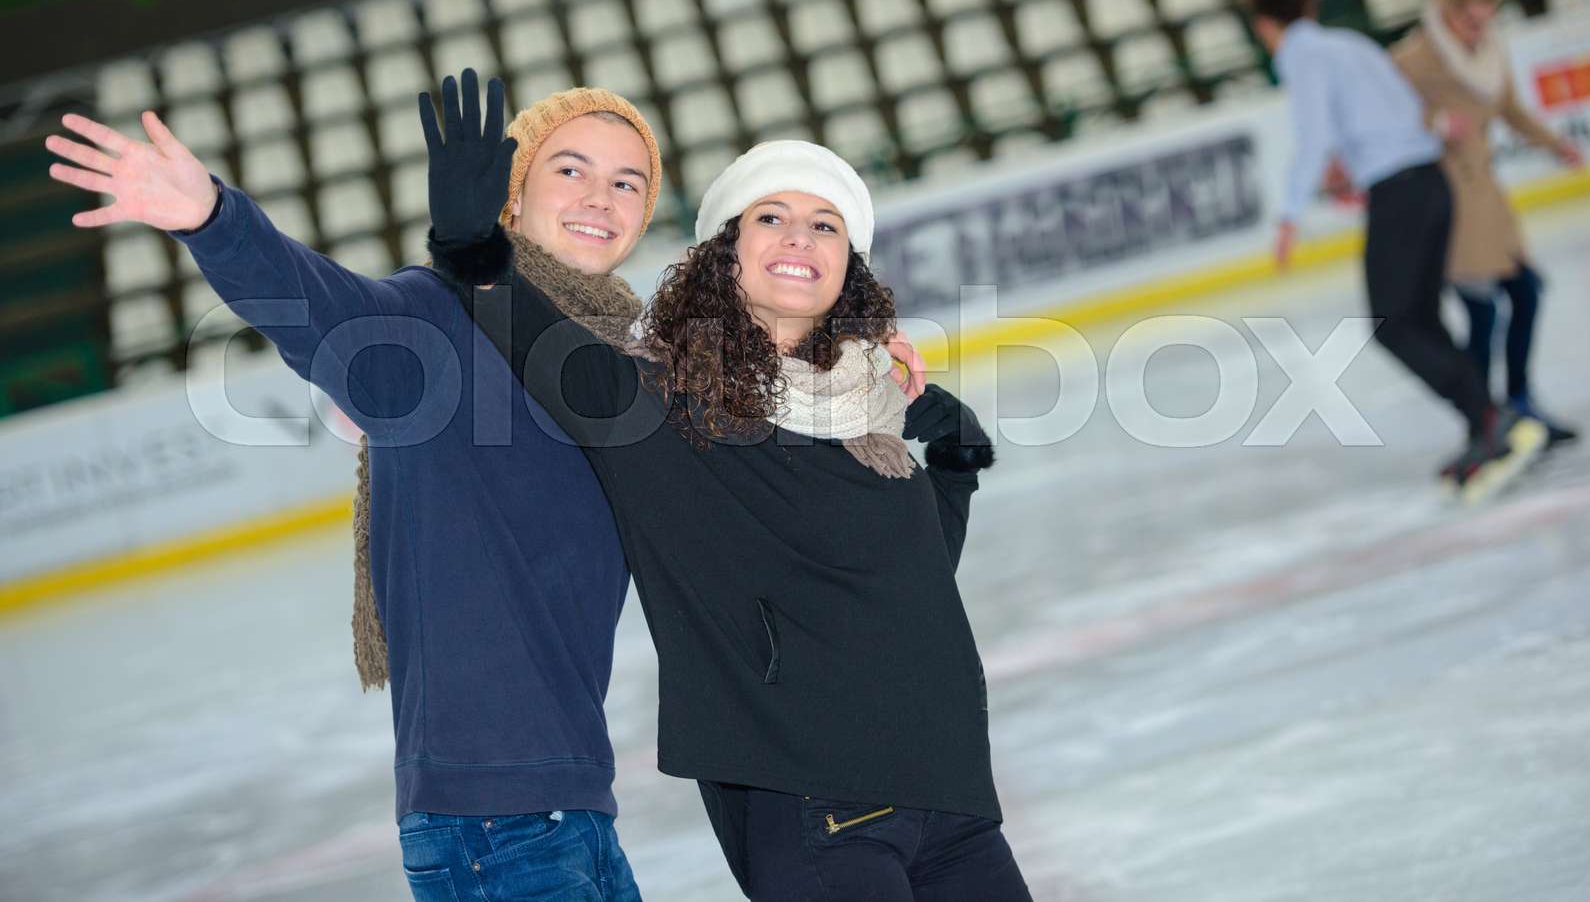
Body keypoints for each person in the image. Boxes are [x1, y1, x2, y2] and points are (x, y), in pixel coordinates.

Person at [46, 76, 664, 902]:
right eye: (571, 170)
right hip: (497, 826)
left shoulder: (621, 366)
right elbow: (315, 310)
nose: (601, 197)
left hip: (573, 813)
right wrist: (211, 217)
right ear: (510, 195)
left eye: (628, 182)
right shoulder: (434, 323)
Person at [422, 72, 1032, 901]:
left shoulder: (866, 413)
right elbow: (525, 329)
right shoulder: (661, 401)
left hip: (951, 800)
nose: (799, 237)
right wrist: (469, 245)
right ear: (725, 252)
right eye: (770, 217)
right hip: (816, 810)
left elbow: (903, 585)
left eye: (825, 225)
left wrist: (953, 458)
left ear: (846, 263)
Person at [1237, 0, 1546, 499]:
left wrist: (1290, 214)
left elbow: (1314, 132)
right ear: (1307, 8)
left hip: (1400, 192)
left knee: (1393, 324)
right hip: (1430, 182)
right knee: (1419, 317)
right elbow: (1403, 110)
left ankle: (1487, 419)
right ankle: (1484, 422)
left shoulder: (1300, 55)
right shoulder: (1351, 44)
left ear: (1266, 27)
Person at [1389, 0, 1582, 447]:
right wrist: (1432, 124)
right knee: (1484, 311)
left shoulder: (1490, 51)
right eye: (1468, 14)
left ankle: (1517, 400)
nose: (1478, 23)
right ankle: (1484, 418)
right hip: (1448, 202)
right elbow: (1388, 117)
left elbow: (1510, 108)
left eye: (1484, 12)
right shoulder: (1415, 59)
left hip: (1488, 201)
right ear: (1448, 9)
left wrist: (1554, 143)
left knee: (1526, 293)